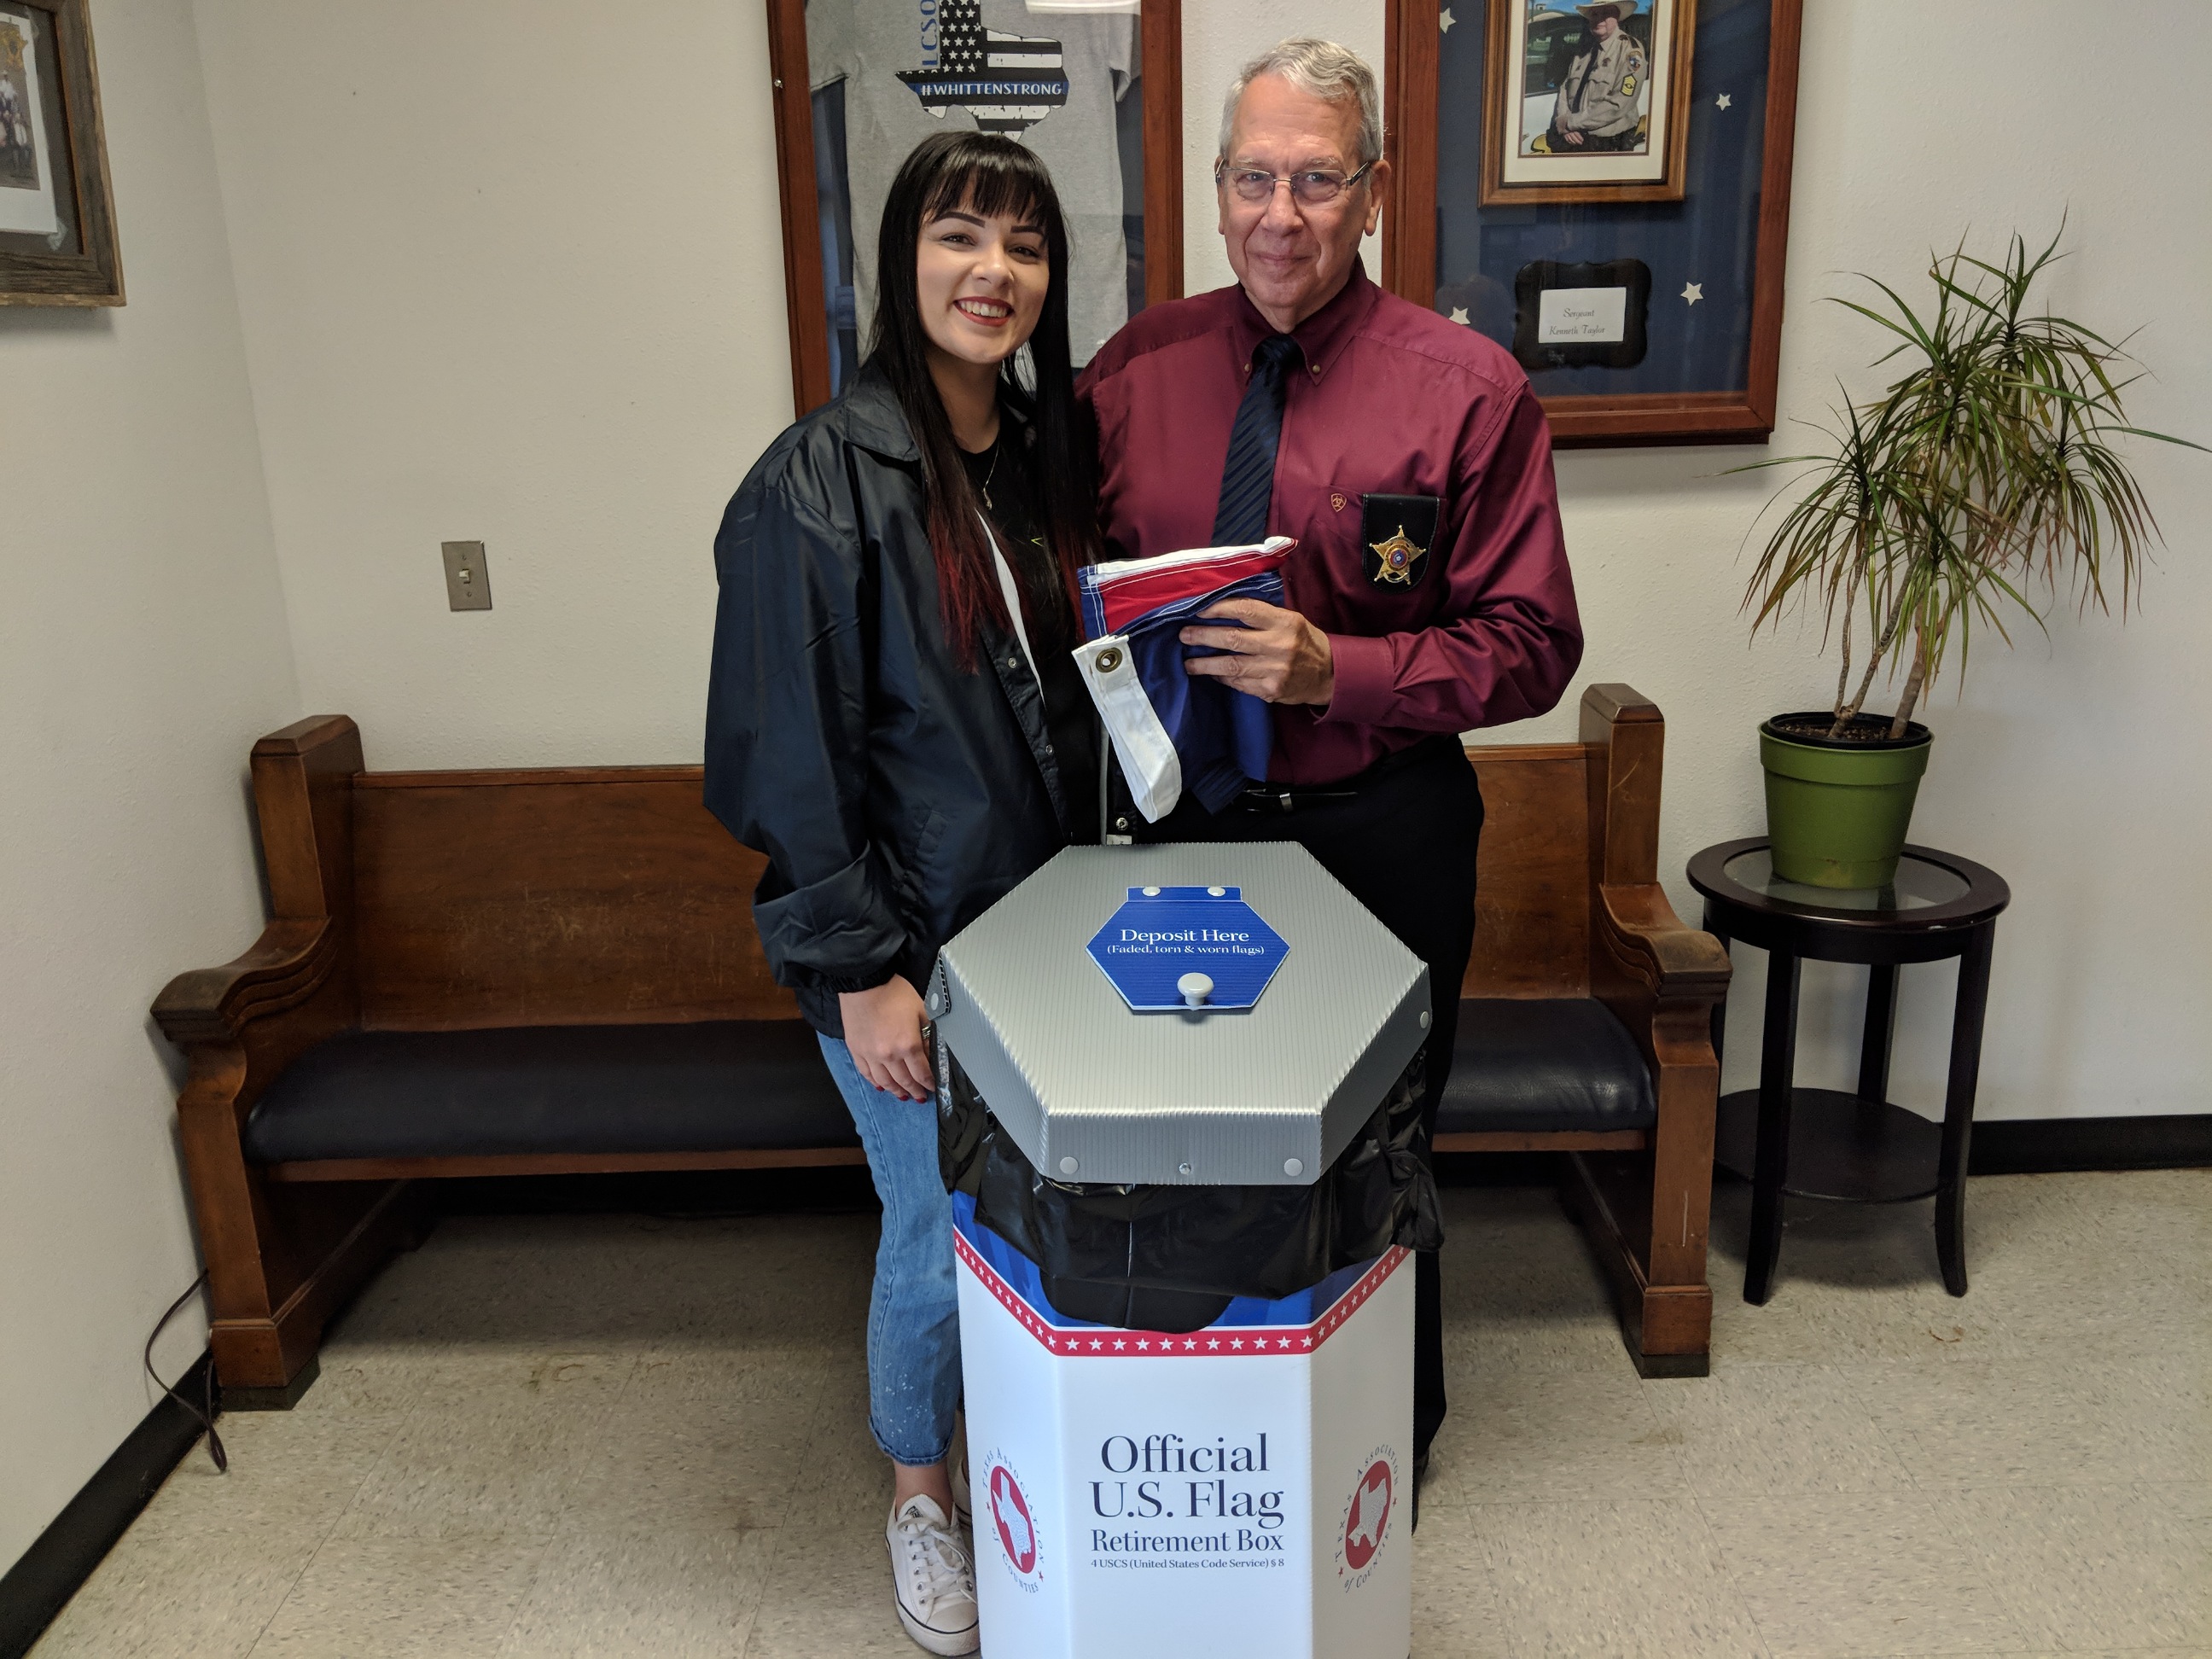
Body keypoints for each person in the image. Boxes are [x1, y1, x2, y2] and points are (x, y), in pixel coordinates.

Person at [1076, 38, 1582, 1497]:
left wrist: (1336, 670)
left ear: (1368, 194)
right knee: (1186, 1132)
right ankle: (1205, 1429)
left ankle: (1376, 1436)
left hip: (1381, 829)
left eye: (1312, 180)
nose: (1276, 215)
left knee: (1376, 1141)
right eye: (1251, 178)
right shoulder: (1135, 372)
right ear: (1216, 190)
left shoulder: (1466, 388)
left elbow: (1532, 641)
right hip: (1184, 835)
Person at [704, 130, 1098, 1656]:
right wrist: (863, 966)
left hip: (1047, 929)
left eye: (1023, 244)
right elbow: (783, 751)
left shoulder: (1042, 457)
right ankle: (920, 1492)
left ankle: (1020, 1445)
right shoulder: (818, 478)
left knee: (1035, 1216)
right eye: (958, 234)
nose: (991, 270)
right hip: (910, 950)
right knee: (938, 1228)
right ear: (899, 256)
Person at [1543, 2, 1649, 153]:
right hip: (1573, 140)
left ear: (1617, 17)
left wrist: (1571, 123)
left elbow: (1620, 103)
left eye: (1606, 13)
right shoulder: (1584, 49)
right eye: (1594, 14)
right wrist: (1564, 121)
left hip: (1609, 146)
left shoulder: (1630, 50)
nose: (1599, 19)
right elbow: (1565, 88)